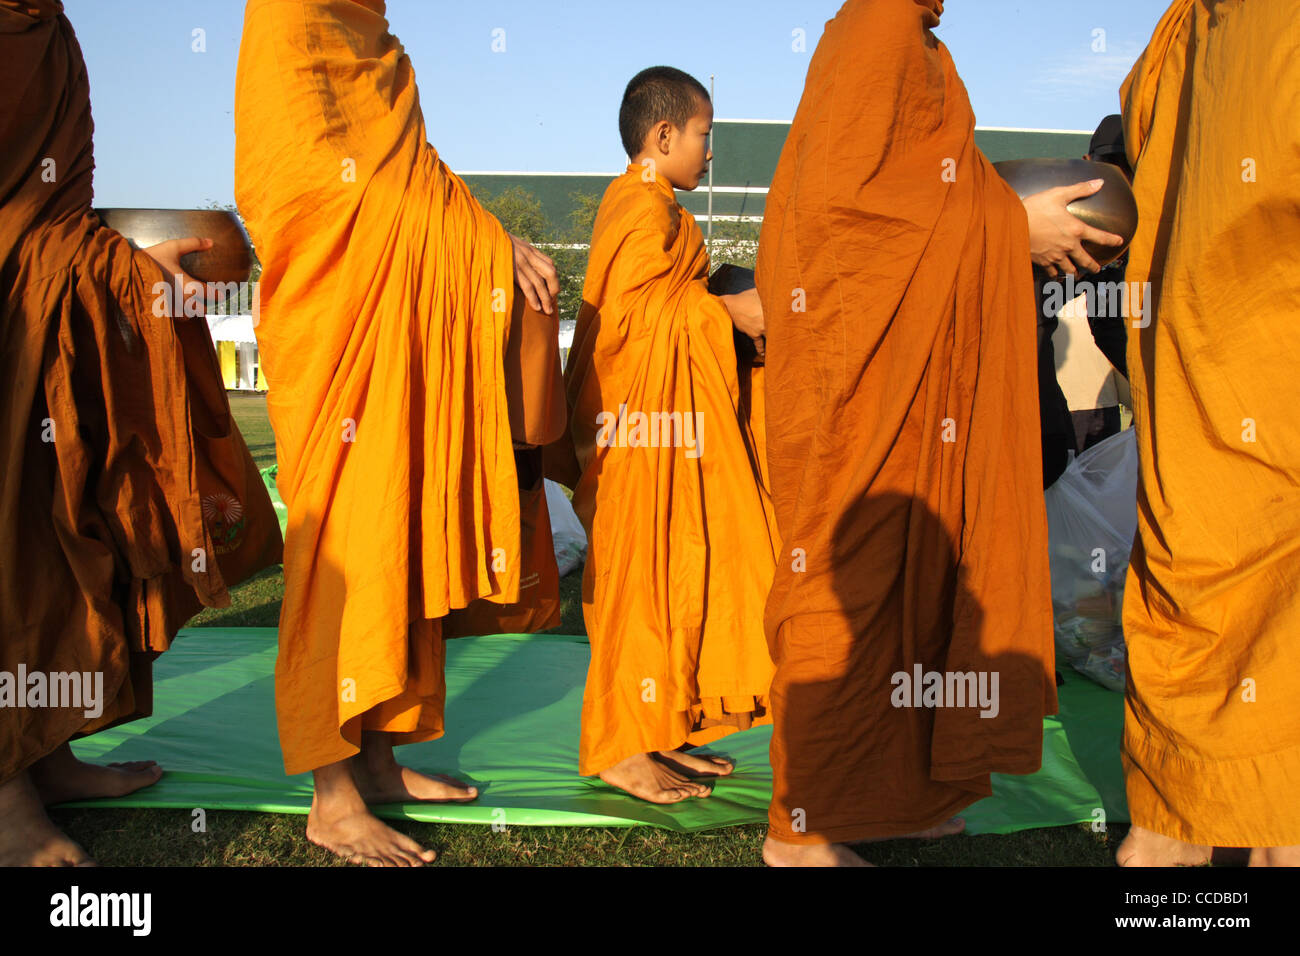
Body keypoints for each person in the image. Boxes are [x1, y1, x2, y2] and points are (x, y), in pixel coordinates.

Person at [754, 0, 1124, 866]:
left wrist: (996, 212)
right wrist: (1006, 225)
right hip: (863, 387)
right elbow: (837, 218)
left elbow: (920, 191)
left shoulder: (920, 46)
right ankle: (798, 835)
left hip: (920, 381)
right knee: (852, 583)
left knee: (923, 588)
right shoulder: (874, 29)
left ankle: (894, 794)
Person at [234, 0, 560, 866]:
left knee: (393, 539)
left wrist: (485, 238)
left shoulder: (373, 40)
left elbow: (415, 174)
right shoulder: (293, 23)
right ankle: (331, 796)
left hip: (395, 319)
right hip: (341, 320)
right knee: (345, 539)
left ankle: (377, 761)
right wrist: (483, 247)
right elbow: (312, 190)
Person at [0, 0, 278, 865]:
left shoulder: (49, 28)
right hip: (8, 319)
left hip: (49, 324)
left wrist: (121, 262)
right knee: (5, 554)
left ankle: (47, 755)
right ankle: (4, 796)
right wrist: (119, 268)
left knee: (59, 546)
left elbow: (48, 208)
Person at [545, 67, 778, 803]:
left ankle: (661, 725)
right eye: (706, 137)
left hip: (670, 430)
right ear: (664, 135)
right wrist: (726, 316)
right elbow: (635, 327)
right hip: (640, 432)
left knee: (678, 579)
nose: (711, 154)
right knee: (638, 586)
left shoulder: (665, 212)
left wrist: (720, 302)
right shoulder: (638, 210)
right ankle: (619, 746)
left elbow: (668, 301)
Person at [1116, 0, 1300, 867]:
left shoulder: (1190, 32)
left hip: (1199, 378)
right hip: (1251, 375)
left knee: (1198, 587)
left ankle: (1178, 841)